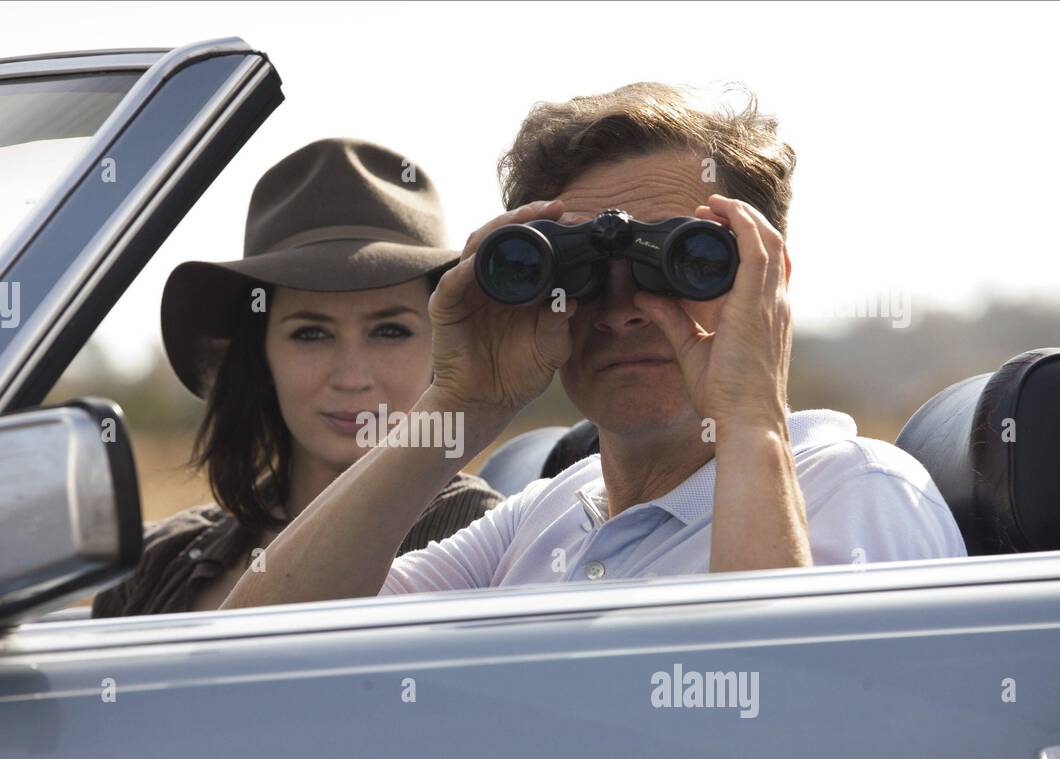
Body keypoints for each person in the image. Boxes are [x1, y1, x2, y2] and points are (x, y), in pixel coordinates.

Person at [220, 83, 966, 612]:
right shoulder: (545, 515)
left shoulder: (857, 490)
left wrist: (749, 421)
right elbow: (260, 648)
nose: (624, 309)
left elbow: (781, 732)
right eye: (577, 274)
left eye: (685, 262)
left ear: (769, 281)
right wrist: (461, 402)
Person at [92, 139, 504, 617]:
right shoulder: (157, 564)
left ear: (443, 344)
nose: (351, 377)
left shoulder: (484, 538)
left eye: (390, 331)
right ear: (260, 354)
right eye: (311, 333)